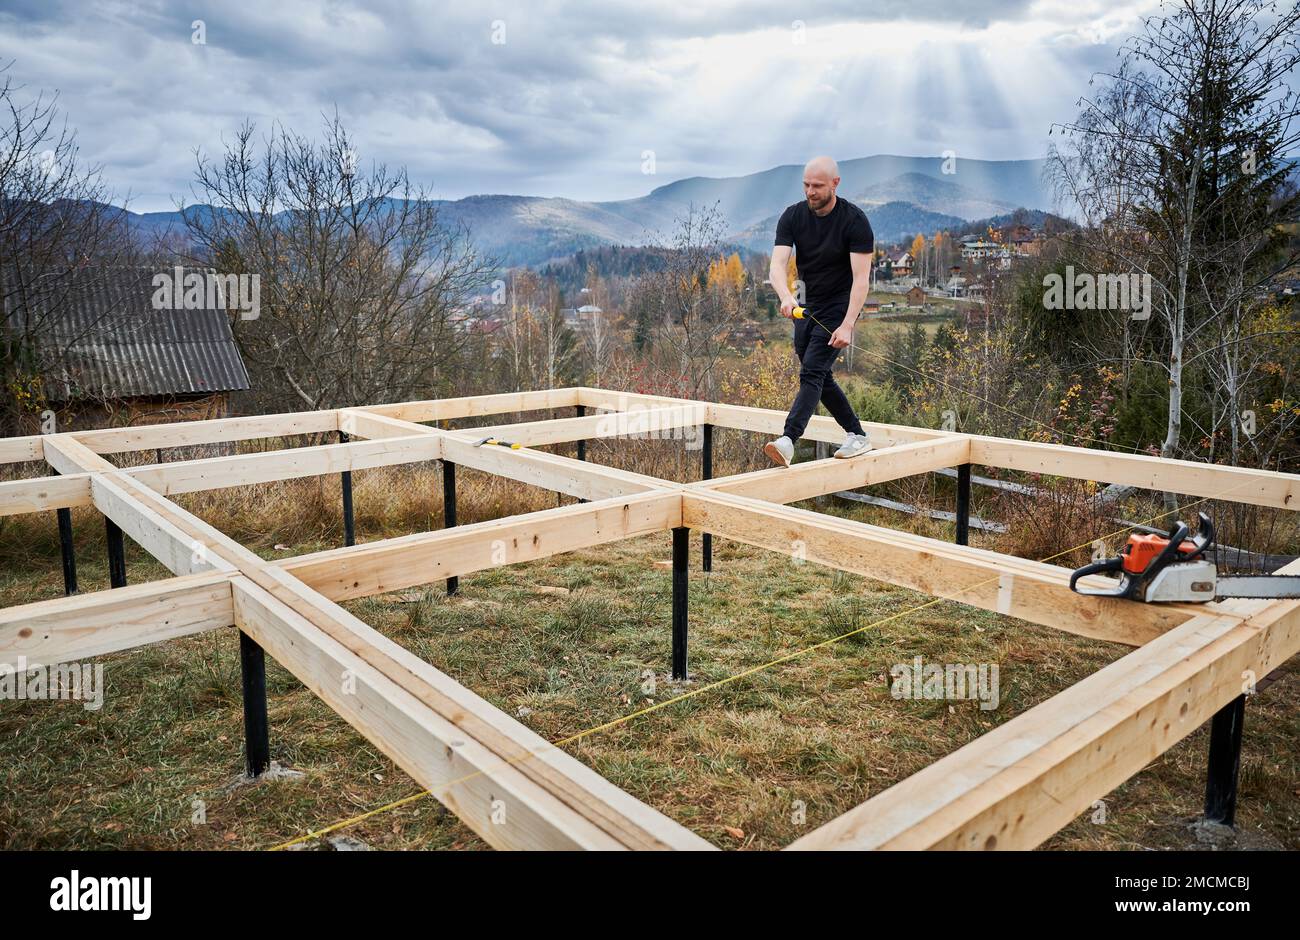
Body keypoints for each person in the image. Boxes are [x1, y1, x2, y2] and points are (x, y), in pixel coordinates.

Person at [764, 155, 874, 468]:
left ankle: (787, 440)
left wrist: (848, 324)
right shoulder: (793, 216)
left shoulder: (854, 221)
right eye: (806, 185)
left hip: (839, 305)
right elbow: (776, 266)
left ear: (835, 184)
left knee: (811, 371)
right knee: (819, 375)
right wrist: (786, 296)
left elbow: (862, 280)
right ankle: (857, 434)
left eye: (817, 186)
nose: (810, 192)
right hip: (806, 304)